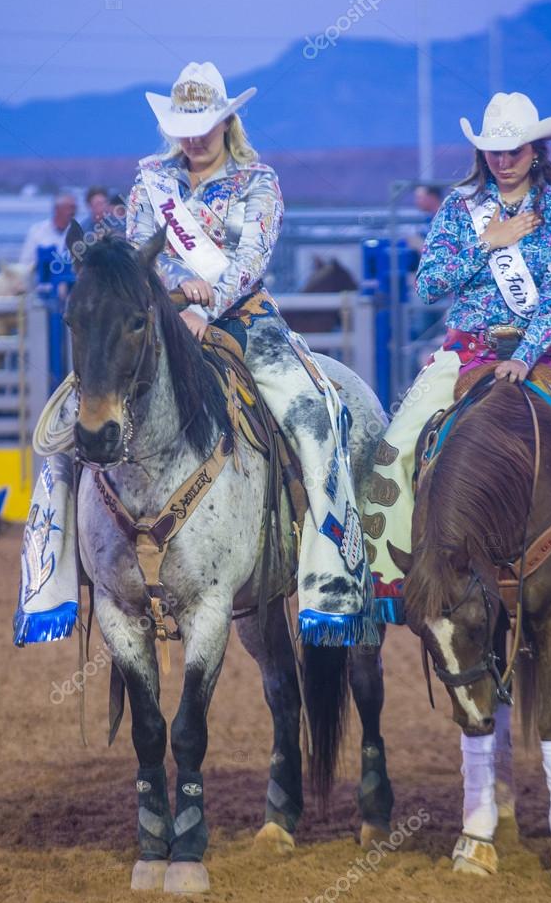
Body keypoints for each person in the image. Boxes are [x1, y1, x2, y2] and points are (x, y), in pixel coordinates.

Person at [364, 92, 551, 624]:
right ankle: (392, 578)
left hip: (549, 346)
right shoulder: (459, 209)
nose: (503, 160)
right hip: (467, 346)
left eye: (513, 149)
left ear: (535, 151)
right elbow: (428, 285)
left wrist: (528, 352)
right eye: (494, 150)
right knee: (391, 449)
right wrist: (488, 243)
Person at [123, 62, 374, 644]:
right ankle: (61, 572)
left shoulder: (258, 181)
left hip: (246, 323)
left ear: (226, 122)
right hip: (163, 322)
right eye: (184, 128)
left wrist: (206, 305)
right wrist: (178, 293)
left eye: (203, 126)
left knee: (316, 415)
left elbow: (251, 258)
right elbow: (139, 253)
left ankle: (331, 565)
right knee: (78, 412)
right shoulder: (150, 183)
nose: (194, 138)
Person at [19, 193, 76, 269]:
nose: (72, 212)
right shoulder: (37, 231)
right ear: (57, 209)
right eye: (69, 208)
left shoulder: (78, 232)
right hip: (42, 274)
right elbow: (25, 262)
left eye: (74, 208)